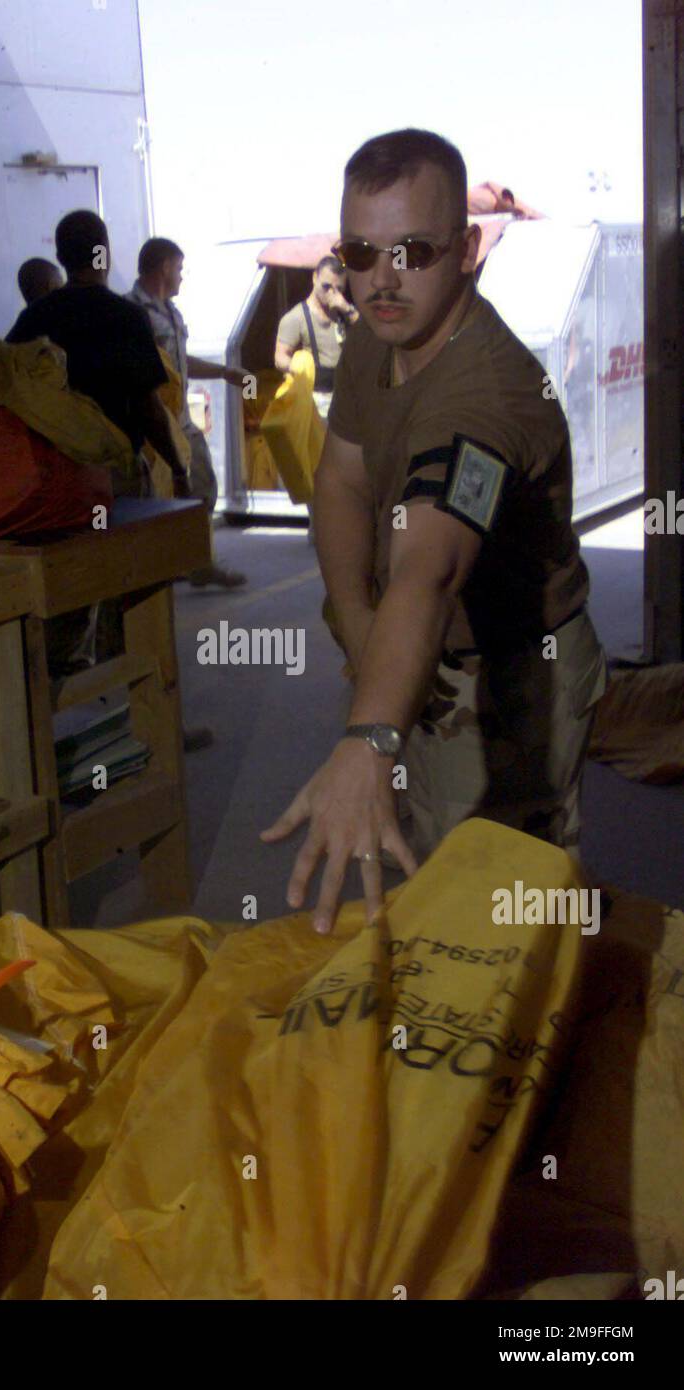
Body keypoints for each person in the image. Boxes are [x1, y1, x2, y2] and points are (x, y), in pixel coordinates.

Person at [261, 127, 607, 935]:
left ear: (469, 248)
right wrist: (360, 635)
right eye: (360, 251)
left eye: (413, 251)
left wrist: (369, 737)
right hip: (415, 657)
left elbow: (429, 570)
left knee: (494, 921)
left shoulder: (484, 399)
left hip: (509, 677)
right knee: (419, 889)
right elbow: (341, 480)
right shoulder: (380, 342)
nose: (383, 279)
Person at [7, 210, 190, 502]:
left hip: (54, 476)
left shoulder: (33, 318)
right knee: (123, 546)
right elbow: (148, 407)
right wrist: (178, 469)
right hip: (114, 473)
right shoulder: (127, 317)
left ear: (61, 257)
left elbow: (13, 391)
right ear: (103, 253)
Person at [127, 236, 247, 589]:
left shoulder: (171, 312)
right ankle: (168, 567)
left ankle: (195, 560)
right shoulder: (132, 312)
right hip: (153, 421)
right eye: (179, 268)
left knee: (203, 486)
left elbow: (181, 364)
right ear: (164, 267)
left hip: (180, 421)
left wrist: (224, 372)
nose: (182, 276)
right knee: (156, 497)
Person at [275, 256, 358, 420]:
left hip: (348, 396)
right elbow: (280, 357)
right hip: (318, 399)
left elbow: (370, 335)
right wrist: (300, 369)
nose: (331, 293)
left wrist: (347, 309)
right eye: (326, 286)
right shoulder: (295, 317)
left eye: (338, 289)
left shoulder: (345, 312)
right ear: (314, 278)